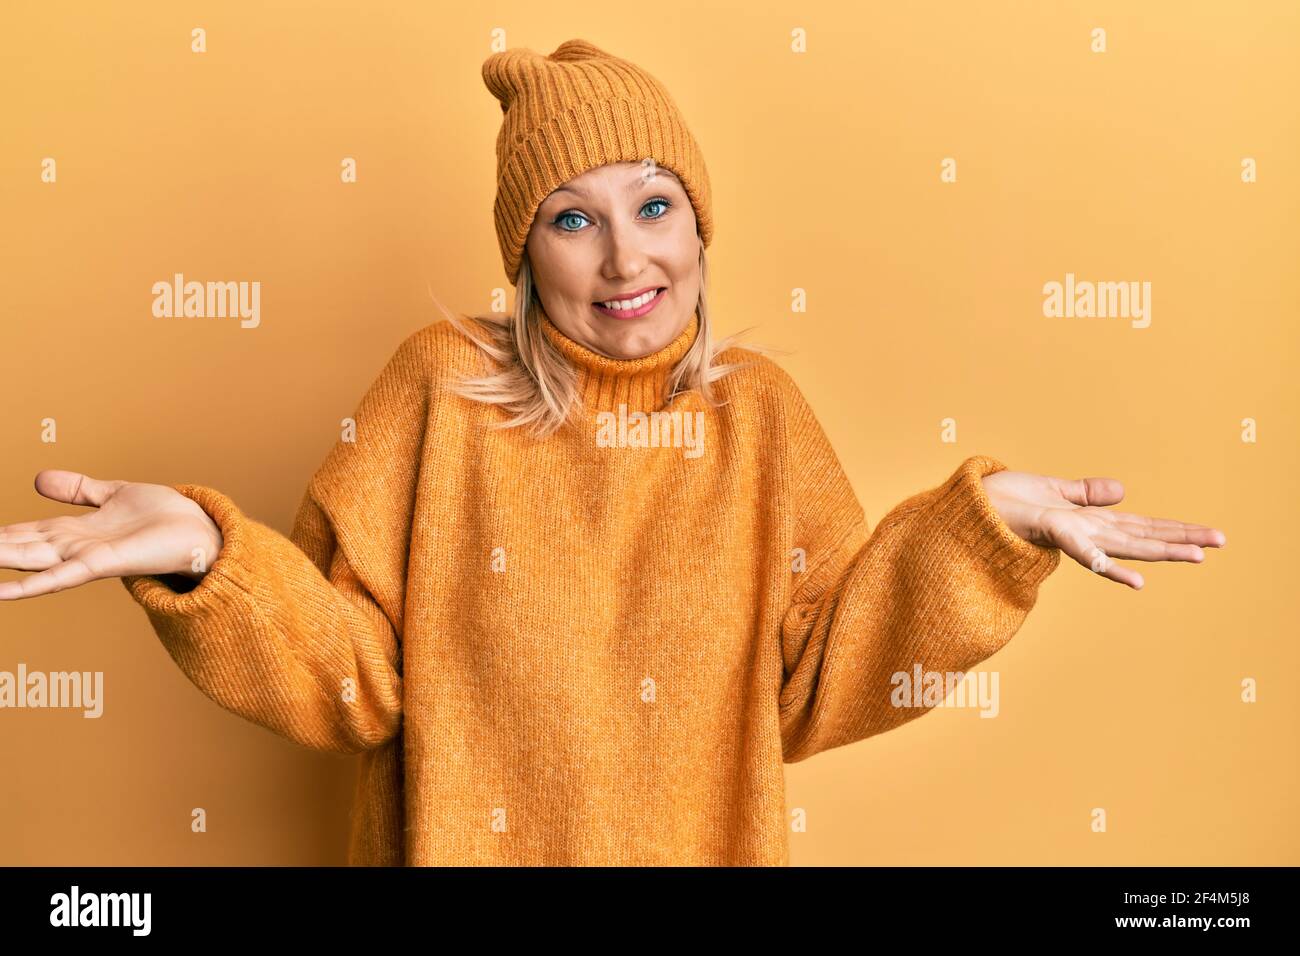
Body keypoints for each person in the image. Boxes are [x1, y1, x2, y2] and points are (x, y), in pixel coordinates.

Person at [0, 39, 1225, 866]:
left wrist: (976, 528)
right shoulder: (436, 389)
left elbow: (816, 680)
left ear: (700, 221)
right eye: (571, 219)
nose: (626, 260)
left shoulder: (757, 416)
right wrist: (214, 554)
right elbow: (354, 677)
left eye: (653, 205)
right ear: (524, 254)